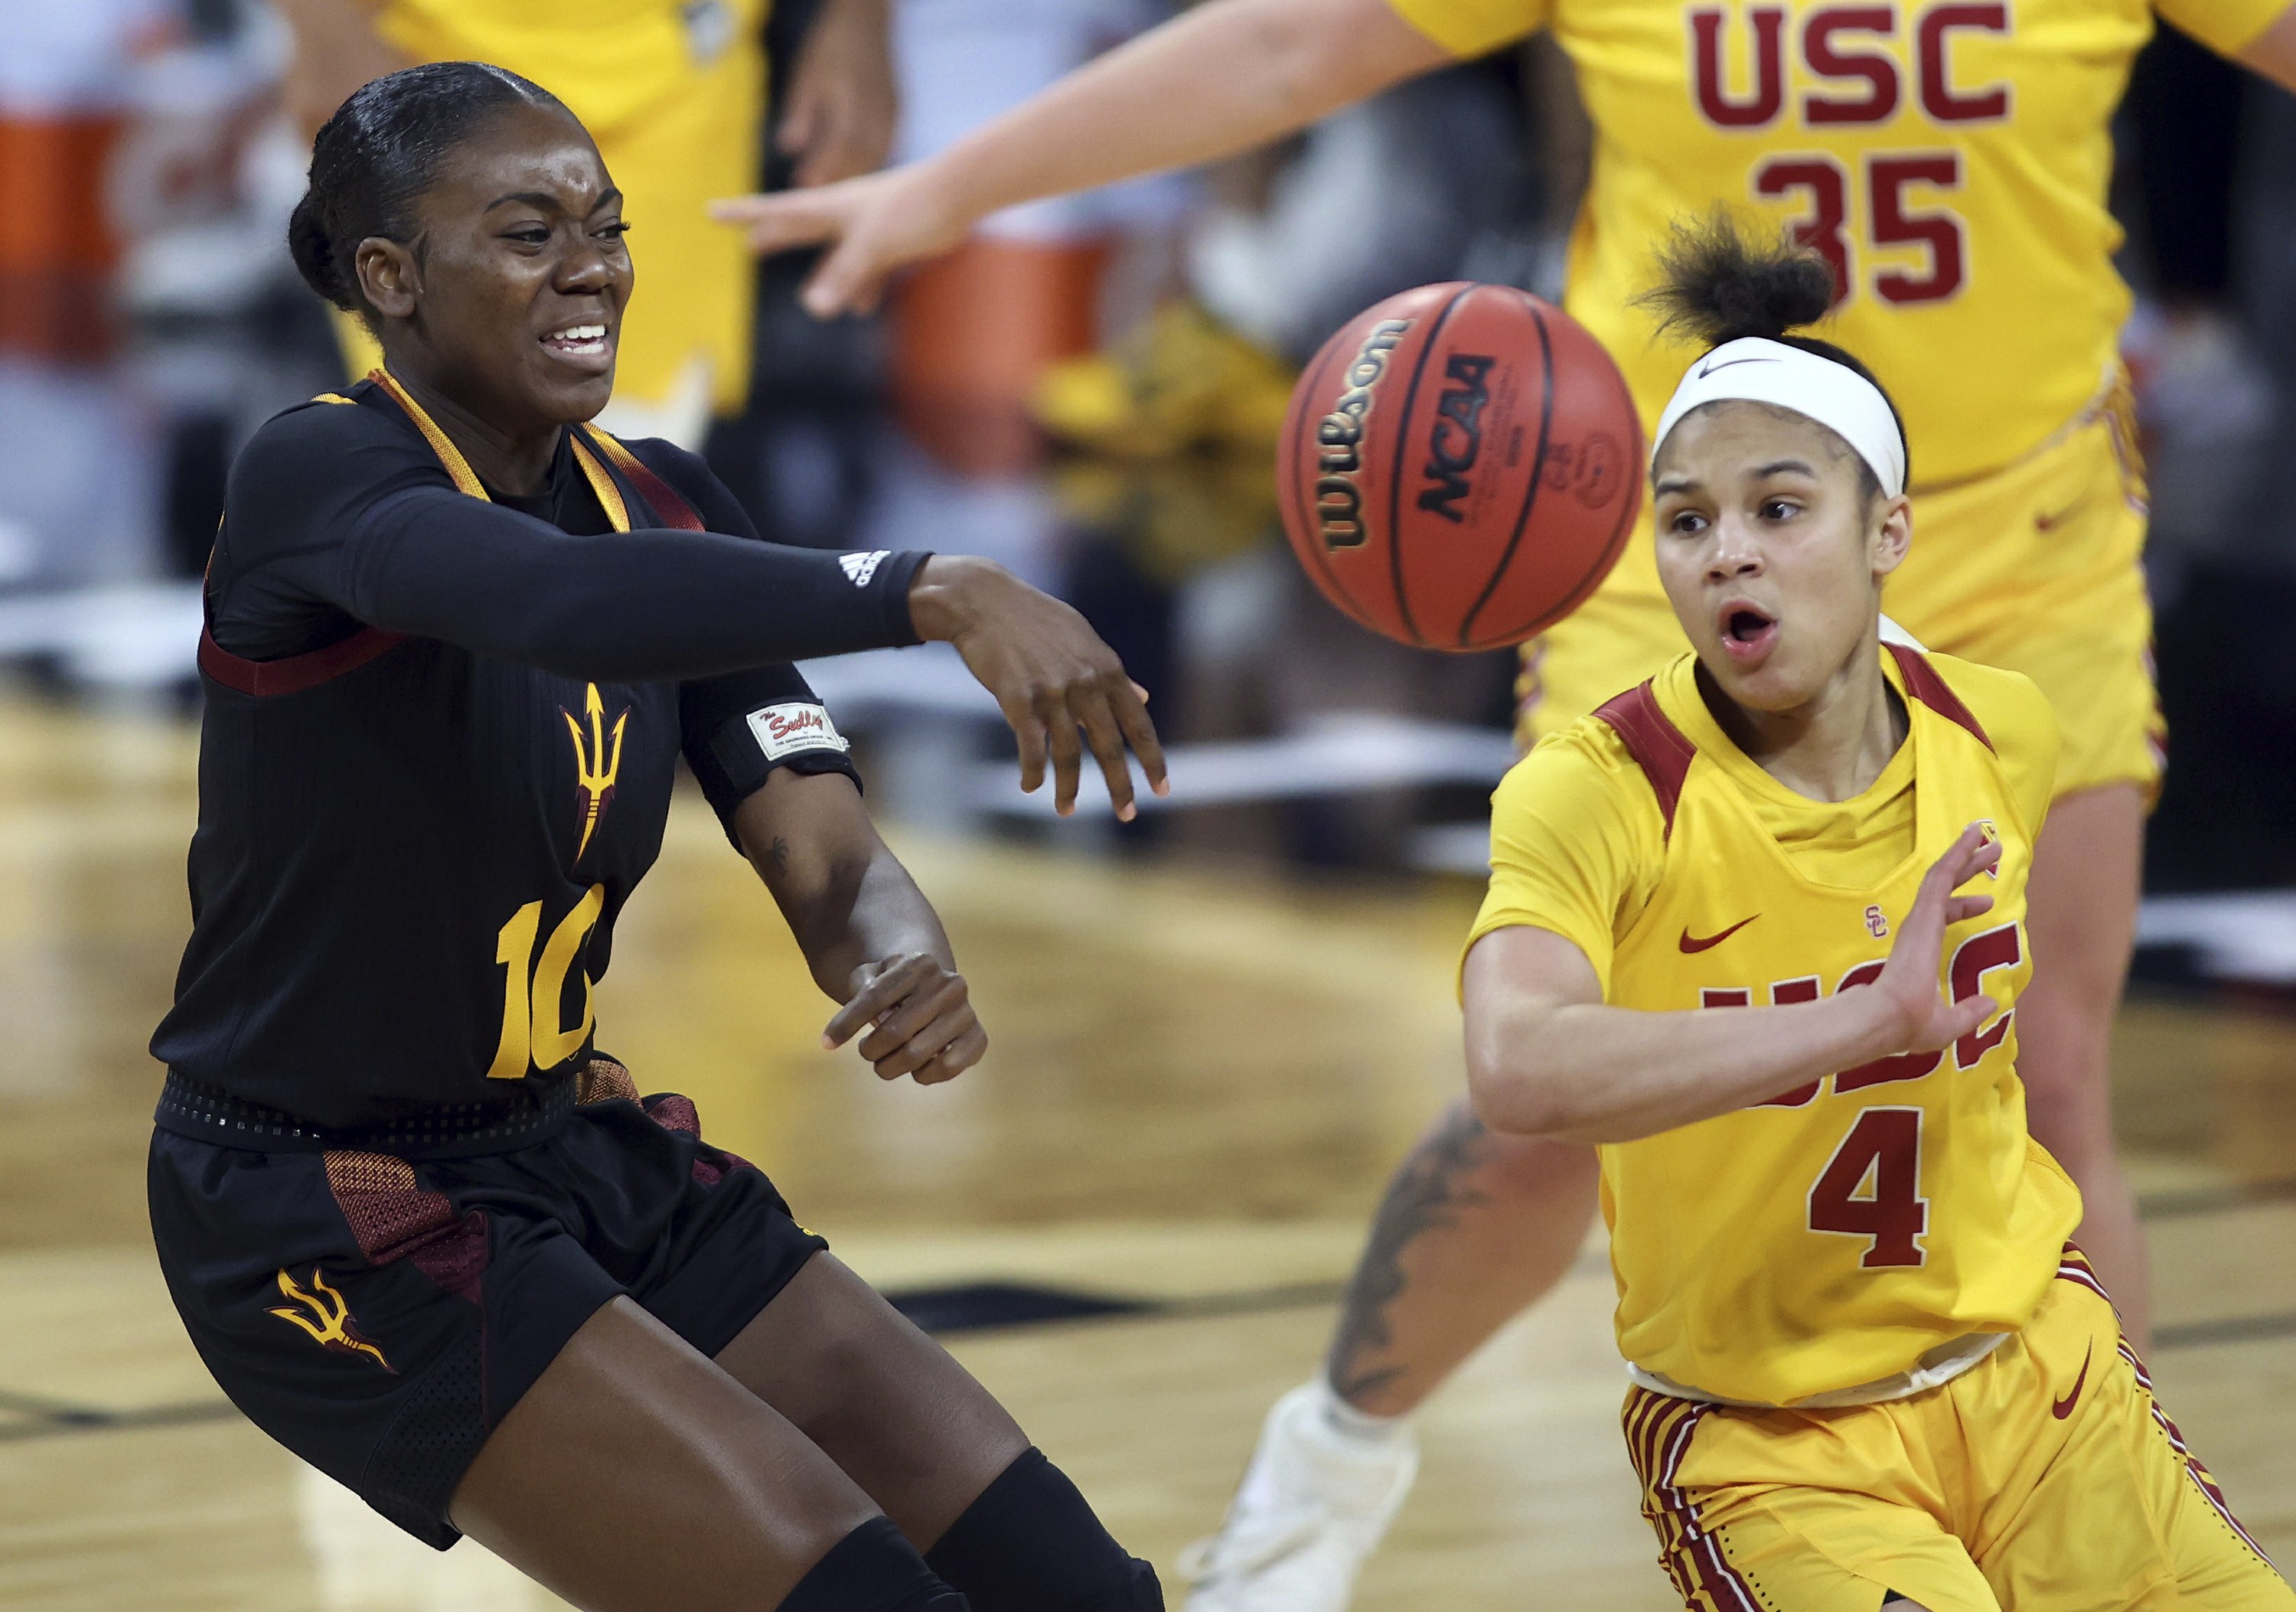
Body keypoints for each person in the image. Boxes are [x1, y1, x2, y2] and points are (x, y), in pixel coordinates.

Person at [711, 2, 2296, 1602]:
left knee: (2044, 1070)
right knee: (1547, 1104)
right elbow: (1283, 55)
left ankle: (2082, 1540)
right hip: (1684, 540)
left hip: (2019, 544)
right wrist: (949, 189)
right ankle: (1328, 1462)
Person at [146, 64, 1166, 1612]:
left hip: (578, 1148)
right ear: (390, 279)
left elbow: (812, 832)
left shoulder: (666, 504)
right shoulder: (316, 472)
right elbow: (550, 603)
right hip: (327, 1206)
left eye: (608, 227)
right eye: (530, 230)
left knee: (1074, 1592)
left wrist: (894, 945)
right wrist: (932, 585)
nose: (596, 267)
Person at [1456, 220, 2287, 1610]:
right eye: (1688, 518)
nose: (1729, 554)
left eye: (1780, 510)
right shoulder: (1591, 791)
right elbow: (1517, 1066)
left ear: (1887, 530)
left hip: (2043, 1382)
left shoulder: (2000, 730)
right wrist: (1870, 1015)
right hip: (1776, 1447)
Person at [276, 0, 896, 446]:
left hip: (676, 77)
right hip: (435, 50)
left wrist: (859, 15)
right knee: (452, 447)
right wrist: (323, 18)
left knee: (614, 471)